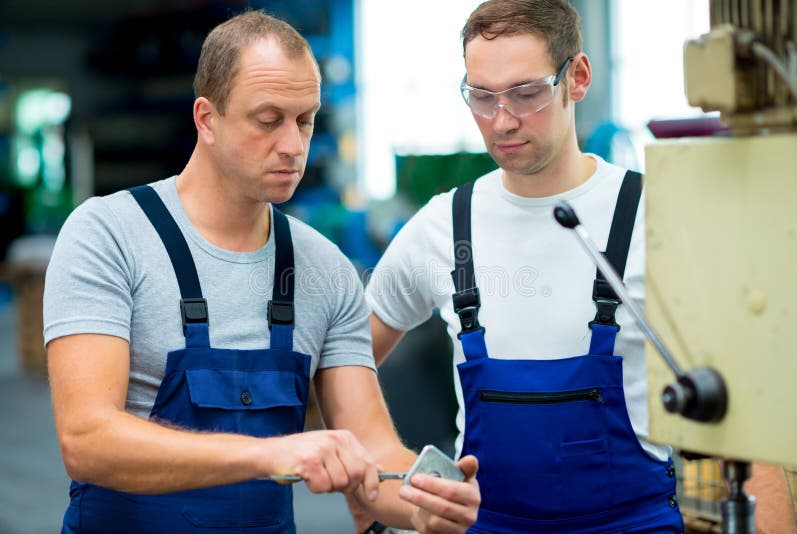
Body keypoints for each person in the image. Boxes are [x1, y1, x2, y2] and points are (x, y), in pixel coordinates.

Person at [355, 1, 797, 533]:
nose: (502, 119)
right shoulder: (444, 227)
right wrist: (376, 500)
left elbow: (741, 425)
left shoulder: (659, 220)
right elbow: (345, 368)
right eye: (482, 96)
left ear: (578, 77)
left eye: (526, 93)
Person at [43, 11, 480, 534]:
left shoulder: (325, 270)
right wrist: (269, 455)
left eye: (305, 119)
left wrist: (425, 502)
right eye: (269, 120)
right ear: (207, 119)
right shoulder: (108, 236)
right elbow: (88, 440)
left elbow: (372, 452)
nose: (294, 146)